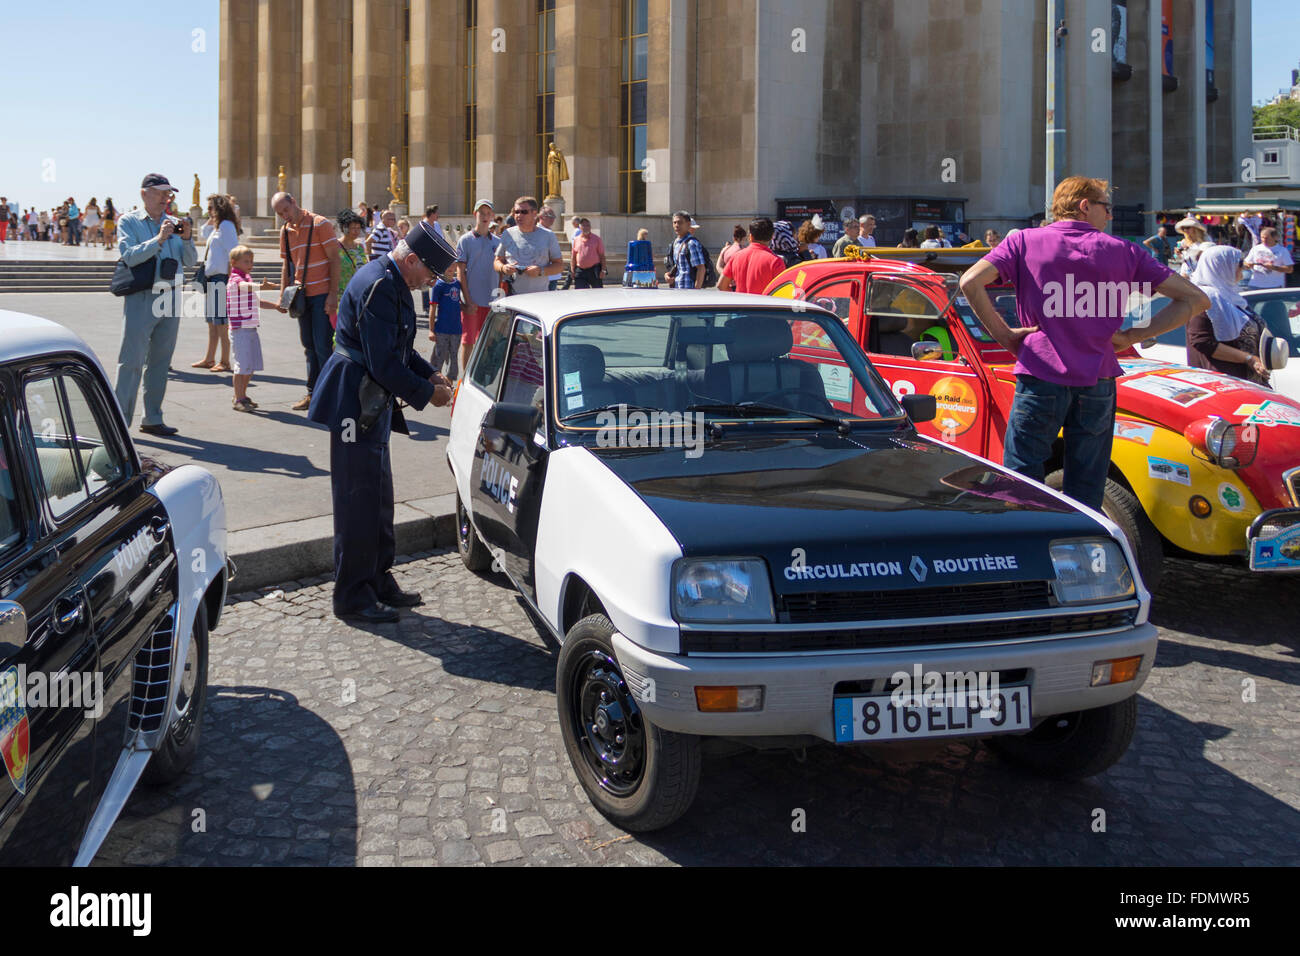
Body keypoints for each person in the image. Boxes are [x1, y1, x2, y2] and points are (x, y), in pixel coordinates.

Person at [959, 175, 1208, 511]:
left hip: (1040, 372)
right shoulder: (1125, 251)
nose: (1109, 216)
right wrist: (1133, 336)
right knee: (1088, 481)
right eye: (1106, 207)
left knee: (1023, 477)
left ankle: (1030, 548)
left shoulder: (1023, 242)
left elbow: (970, 282)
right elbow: (1195, 300)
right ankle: (1079, 550)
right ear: (1084, 205)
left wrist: (1004, 336)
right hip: (1098, 378)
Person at [307, 222, 456, 624]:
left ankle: (376, 577)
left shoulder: (392, 279)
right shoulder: (381, 285)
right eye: (429, 273)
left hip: (370, 400)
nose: (430, 282)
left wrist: (428, 374)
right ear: (411, 260)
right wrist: (429, 394)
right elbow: (384, 363)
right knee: (358, 501)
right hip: (355, 402)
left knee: (378, 496)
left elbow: (401, 347)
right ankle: (353, 595)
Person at [114, 173, 197, 436]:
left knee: (161, 361)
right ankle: (118, 425)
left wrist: (186, 238)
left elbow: (191, 261)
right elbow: (129, 256)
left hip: (171, 295)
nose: (166, 198)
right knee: (131, 361)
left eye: (169, 194)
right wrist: (158, 239)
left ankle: (152, 417)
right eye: (161, 193)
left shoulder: (174, 223)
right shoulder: (129, 221)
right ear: (144, 194)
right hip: (143, 296)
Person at [273, 191, 342, 411]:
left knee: (323, 346)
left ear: (294, 202)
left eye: (286, 209)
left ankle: (330, 396)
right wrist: (283, 296)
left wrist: (333, 294)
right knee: (309, 346)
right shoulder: (285, 231)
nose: (284, 215)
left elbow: (334, 260)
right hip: (301, 296)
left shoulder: (320, 224)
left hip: (322, 294)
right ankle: (313, 394)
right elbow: (287, 265)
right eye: (279, 213)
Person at [1186, 245, 1271, 385]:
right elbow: (1202, 341)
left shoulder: (1230, 296)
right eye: (1239, 264)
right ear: (1222, 266)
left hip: (1250, 380)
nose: (1242, 268)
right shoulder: (1205, 297)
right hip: (1226, 384)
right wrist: (1248, 359)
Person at [225, 245, 279, 410]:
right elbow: (243, 287)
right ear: (234, 263)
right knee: (242, 366)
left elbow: (257, 301)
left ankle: (241, 395)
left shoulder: (247, 279)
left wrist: (276, 306)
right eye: (246, 261)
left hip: (250, 328)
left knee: (250, 365)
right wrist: (262, 287)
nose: (250, 264)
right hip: (240, 328)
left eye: (251, 261)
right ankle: (238, 399)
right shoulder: (235, 279)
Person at [192, 194, 241, 372]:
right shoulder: (218, 226)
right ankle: (209, 358)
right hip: (212, 278)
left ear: (219, 208)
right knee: (212, 323)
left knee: (221, 323)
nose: (208, 211)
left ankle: (225, 361)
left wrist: (230, 282)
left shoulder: (227, 226)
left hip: (221, 278)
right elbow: (203, 233)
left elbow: (233, 254)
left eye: (211, 208)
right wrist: (211, 219)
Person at [454, 199, 499, 373]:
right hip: (472, 300)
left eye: (489, 213)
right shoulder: (465, 240)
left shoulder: (497, 241)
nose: (485, 217)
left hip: (492, 301)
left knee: (488, 342)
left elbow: (501, 272)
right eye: (482, 213)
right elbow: (460, 272)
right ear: (475, 215)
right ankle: (465, 378)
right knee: (468, 341)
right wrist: (468, 299)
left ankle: (481, 377)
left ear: (493, 216)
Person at [495, 195, 563, 294]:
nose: (518, 215)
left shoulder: (548, 235)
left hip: (539, 298)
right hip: (512, 298)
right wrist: (504, 268)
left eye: (524, 212)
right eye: (516, 212)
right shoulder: (507, 234)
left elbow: (559, 266)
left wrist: (540, 271)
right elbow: (497, 261)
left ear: (534, 213)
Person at [718, 217, 785, 294]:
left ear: (750, 236)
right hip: (764, 305)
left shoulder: (736, 257)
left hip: (740, 304)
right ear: (772, 236)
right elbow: (781, 291)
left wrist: (735, 298)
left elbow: (721, 285)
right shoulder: (775, 261)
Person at [427, 268, 463, 380]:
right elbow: (432, 309)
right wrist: (431, 330)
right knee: (439, 357)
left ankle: (449, 384)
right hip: (442, 329)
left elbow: (460, 304)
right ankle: (433, 382)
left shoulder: (458, 284)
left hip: (456, 329)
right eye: (447, 266)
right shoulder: (438, 285)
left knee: (453, 357)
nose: (450, 268)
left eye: (453, 265)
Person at [336, 209, 368, 327]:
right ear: (344, 228)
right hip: (341, 295)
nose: (356, 231)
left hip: (358, 294)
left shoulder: (360, 247)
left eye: (358, 228)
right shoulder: (335, 246)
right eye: (353, 228)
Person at [664, 211, 706, 288]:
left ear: (688, 224)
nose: (676, 225)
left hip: (689, 290)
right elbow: (677, 267)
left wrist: (696, 291)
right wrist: (667, 275)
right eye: (674, 223)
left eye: (680, 222)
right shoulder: (675, 243)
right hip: (677, 289)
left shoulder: (691, 243)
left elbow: (701, 268)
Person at [570, 218, 606, 288]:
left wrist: (603, 270)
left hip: (594, 270)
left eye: (588, 225)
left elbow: (602, 255)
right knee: (580, 294)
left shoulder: (597, 239)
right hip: (580, 271)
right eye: (583, 226)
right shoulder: (576, 240)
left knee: (598, 294)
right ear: (580, 227)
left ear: (590, 227)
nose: (586, 227)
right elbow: (573, 256)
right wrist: (572, 270)